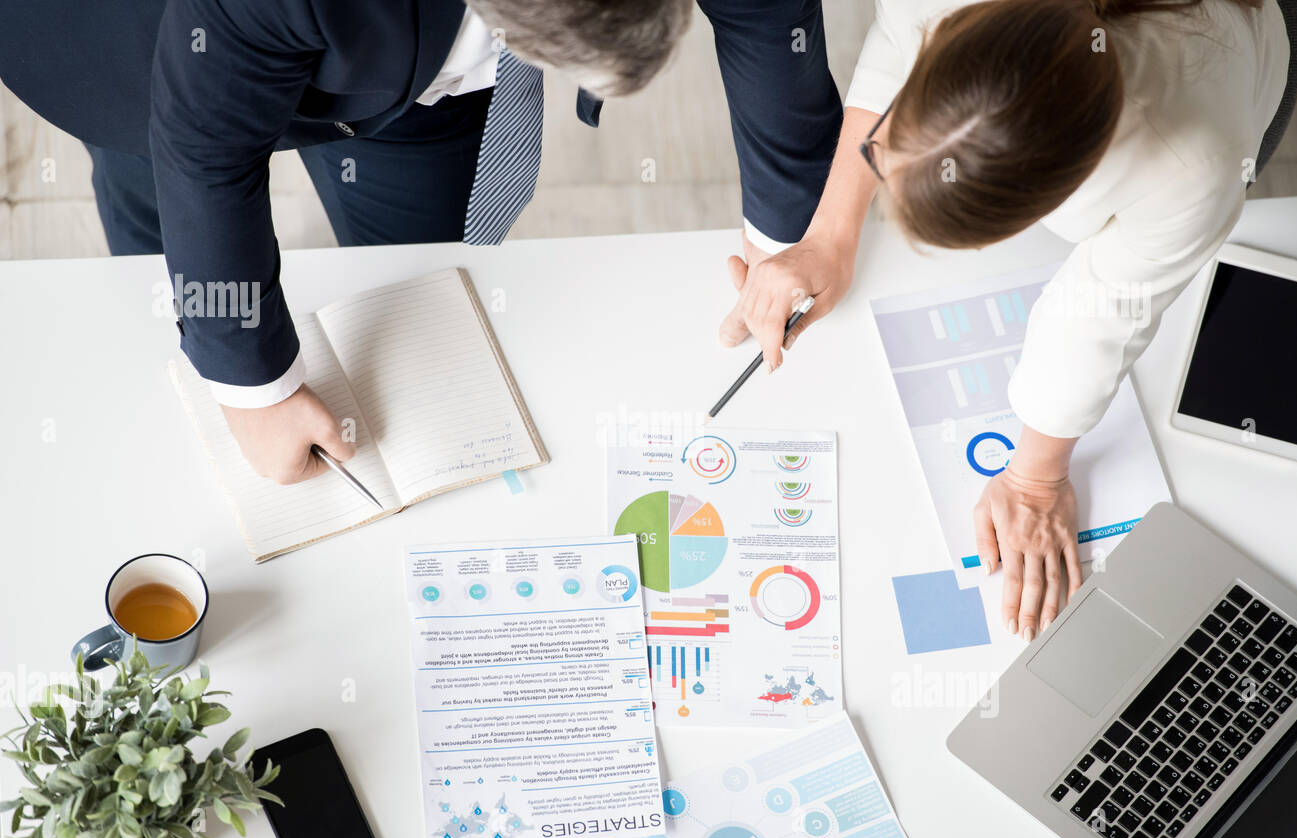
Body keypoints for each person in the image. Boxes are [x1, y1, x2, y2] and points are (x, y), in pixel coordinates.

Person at [0, 0, 842, 483]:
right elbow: (201, 148)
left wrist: (785, 239)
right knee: (157, 202)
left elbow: (773, 25)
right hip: (144, 42)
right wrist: (252, 387)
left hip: (421, 62)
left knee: (422, 282)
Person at [721, 0, 1297, 640]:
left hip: (1240, 38)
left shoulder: (1195, 163)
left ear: (1056, 197)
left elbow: (1101, 316)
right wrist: (830, 234)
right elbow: (899, 37)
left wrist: (1035, 481)